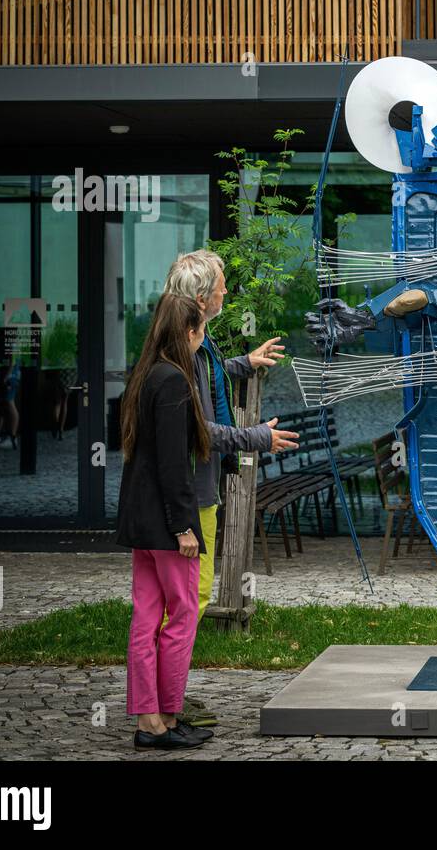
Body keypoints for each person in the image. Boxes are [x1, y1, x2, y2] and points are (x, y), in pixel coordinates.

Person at [162, 249, 299, 727]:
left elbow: (213, 380)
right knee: (188, 600)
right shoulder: (184, 353)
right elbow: (200, 428)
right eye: (221, 285)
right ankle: (165, 703)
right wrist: (256, 437)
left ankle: (166, 699)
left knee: (183, 601)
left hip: (197, 492)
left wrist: (245, 361)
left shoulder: (196, 344)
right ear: (202, 298)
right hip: (191, 497)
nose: (226, 291)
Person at [116, 294, 213, 750]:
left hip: (140, 522)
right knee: (183, 615)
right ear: (189, 332)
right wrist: (183, 528)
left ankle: (148, 722)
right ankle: (169, 717)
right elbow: (175, 466)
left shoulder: (144, 375)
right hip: (167, 525)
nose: (203, 336)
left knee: (146, 619)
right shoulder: (174, 380)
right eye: (201, 330)